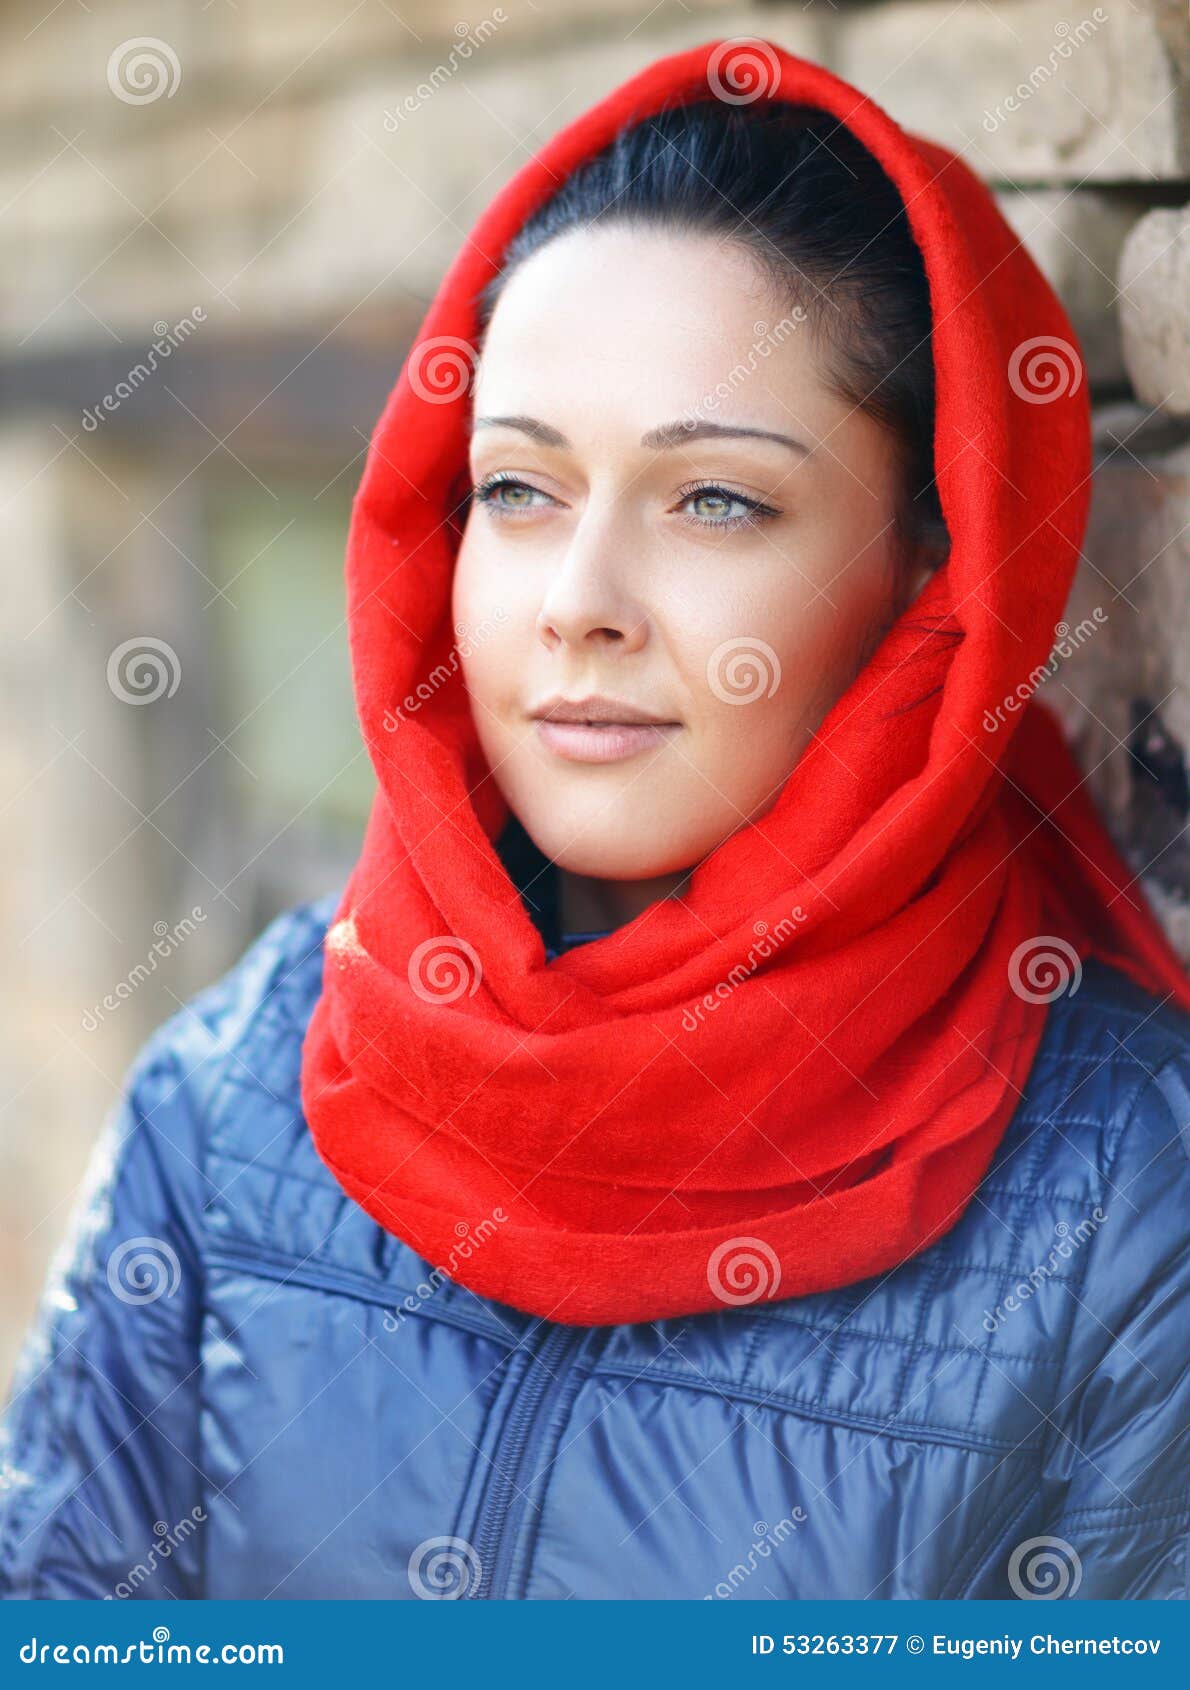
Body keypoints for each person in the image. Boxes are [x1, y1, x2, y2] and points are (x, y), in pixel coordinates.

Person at [2, 38, 1188, 1602]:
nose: (578, 605)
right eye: (516, 489)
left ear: (930, 573)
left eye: (714, 500)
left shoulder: (1122, 1213)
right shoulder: (241, 1083)